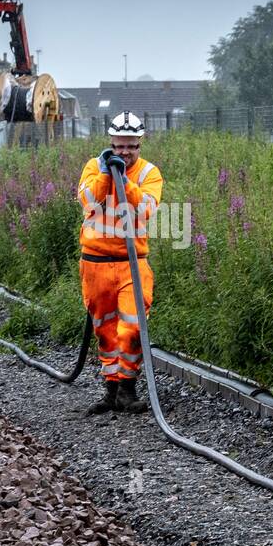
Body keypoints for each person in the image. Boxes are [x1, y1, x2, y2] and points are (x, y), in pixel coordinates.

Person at [76, 112, 163, 415]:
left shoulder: (149, 173)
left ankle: (128, 386)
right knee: (105, 329)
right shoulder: (93, 167)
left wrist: (124, 181)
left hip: (132, 263)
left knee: (134, 327)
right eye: (119, 147)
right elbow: (88, 202)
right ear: (111, 144)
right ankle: (112, 390)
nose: (125, 153)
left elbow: (146, 209)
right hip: (96, 263)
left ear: (140, 144)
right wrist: (105, 173)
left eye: (131, 147)